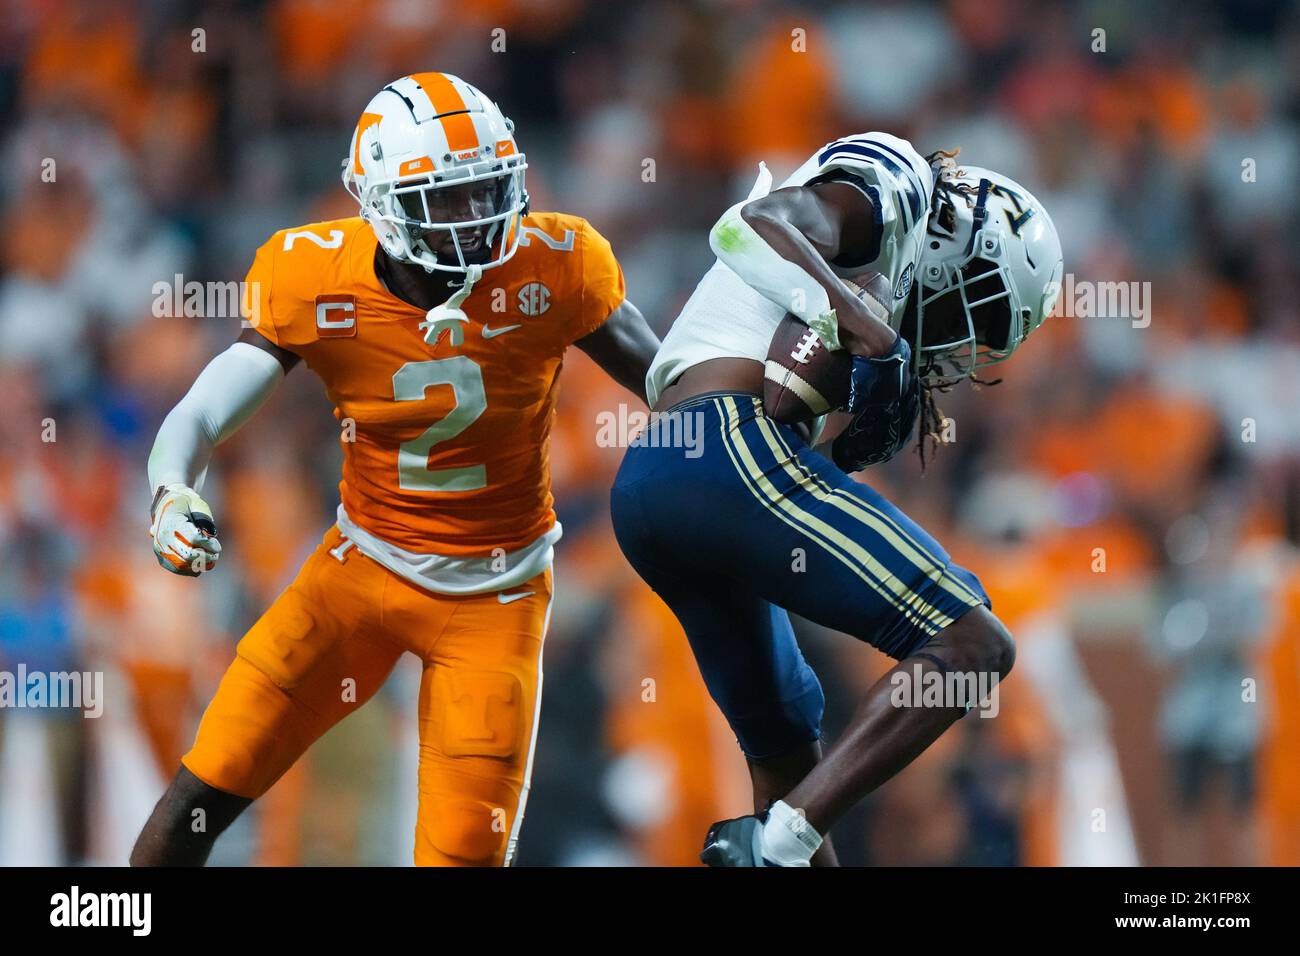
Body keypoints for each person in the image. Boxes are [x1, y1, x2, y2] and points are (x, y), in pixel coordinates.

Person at [131, 72, 659, 867]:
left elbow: (674, 385)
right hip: (361, 572)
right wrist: (173, 490)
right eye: (447, 199)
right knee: (203, 791)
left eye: (488, 186)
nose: (478, 216)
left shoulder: (558, 264)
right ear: (381, 204)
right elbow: (202, 411)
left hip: (499, 591)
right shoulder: (315, 275)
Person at [609, 134, 1062, 865]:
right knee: (974, 643)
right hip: (721, 447)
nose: (948, 343)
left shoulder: (882, 329)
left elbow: (808, 435)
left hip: (658, 485)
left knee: (789, 754)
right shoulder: (895, 184)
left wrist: (864, 346)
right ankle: (770, 845)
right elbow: (746, 225)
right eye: (961, 316)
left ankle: (778, 839)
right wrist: (856, 318)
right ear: (954, 240)